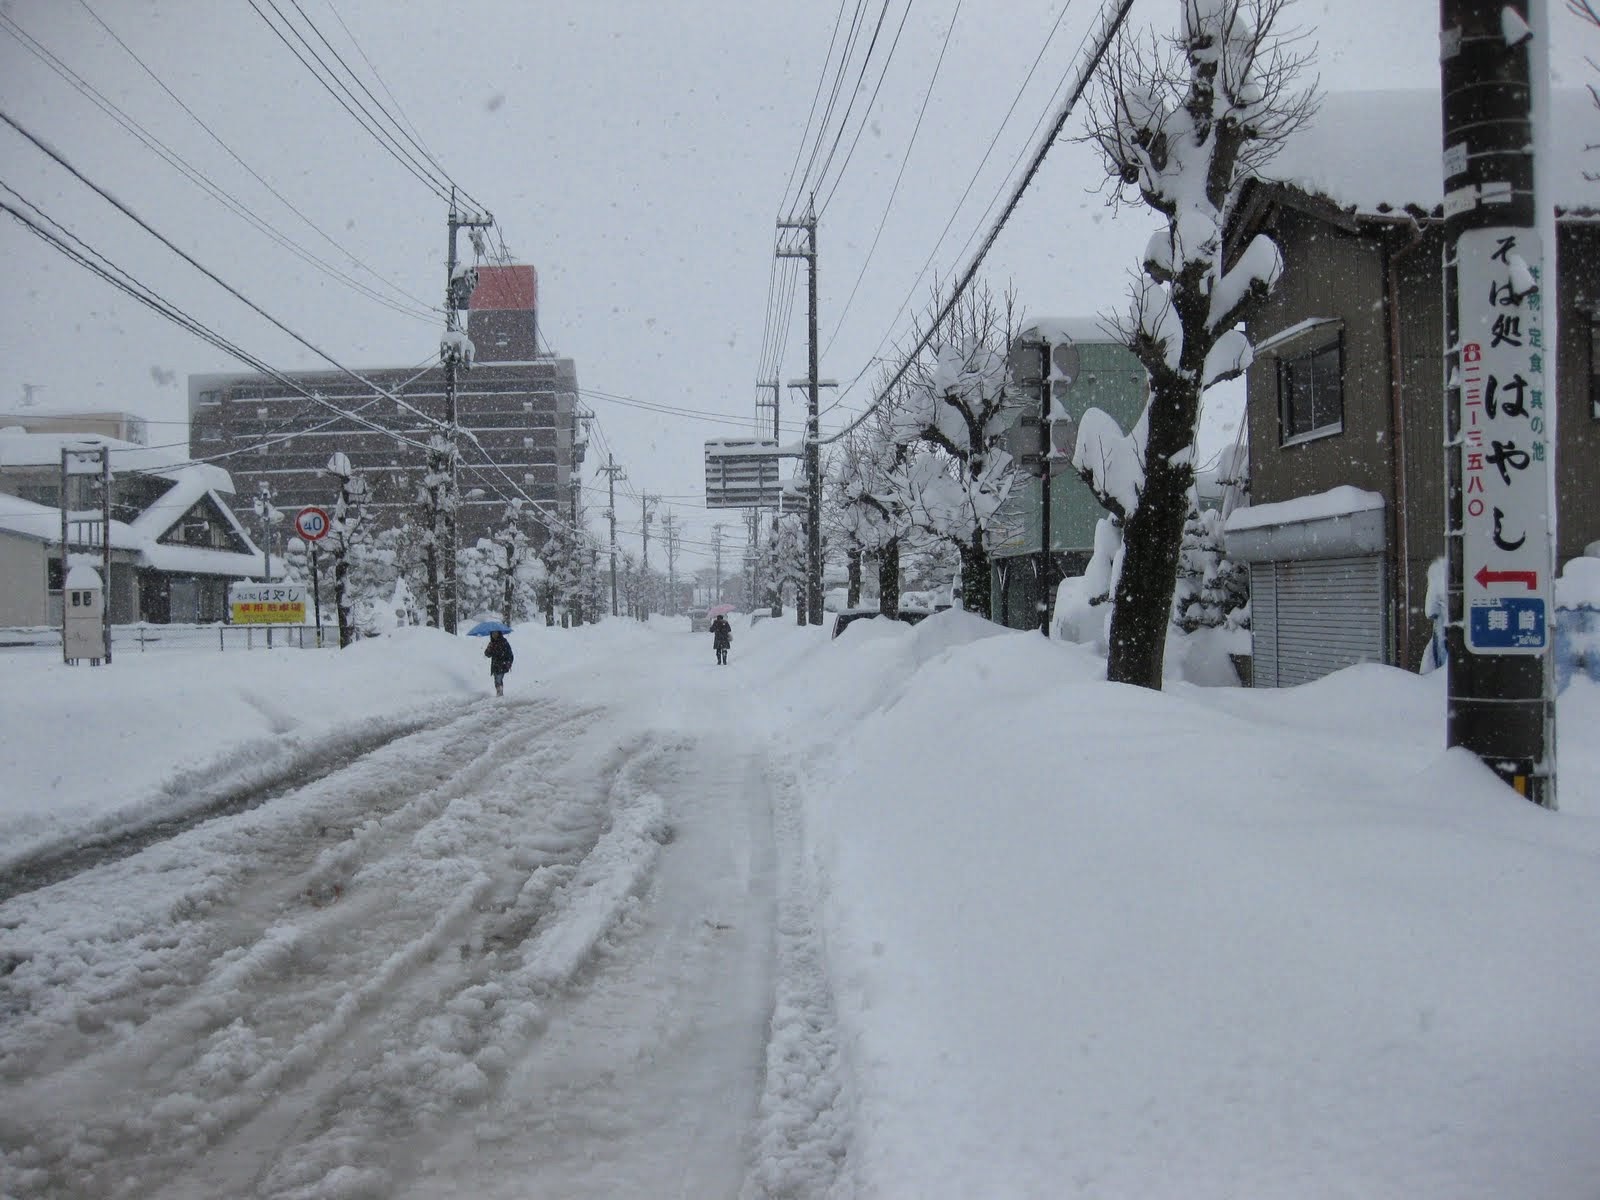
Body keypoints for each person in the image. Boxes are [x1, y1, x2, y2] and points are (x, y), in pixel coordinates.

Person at [484, 629, 514, 695]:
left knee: (498, 679)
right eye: (492, 633)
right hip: (495, 665)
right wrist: (489, 649)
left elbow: (510, 653)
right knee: (496, 680)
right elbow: (487, 654)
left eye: (495, 633)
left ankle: (500, 694)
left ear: (499, 633)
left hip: (502, 664)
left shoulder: (504, 642)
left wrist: (509, 662)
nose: (494, 635)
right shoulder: (491, 643)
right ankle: (499, 693)